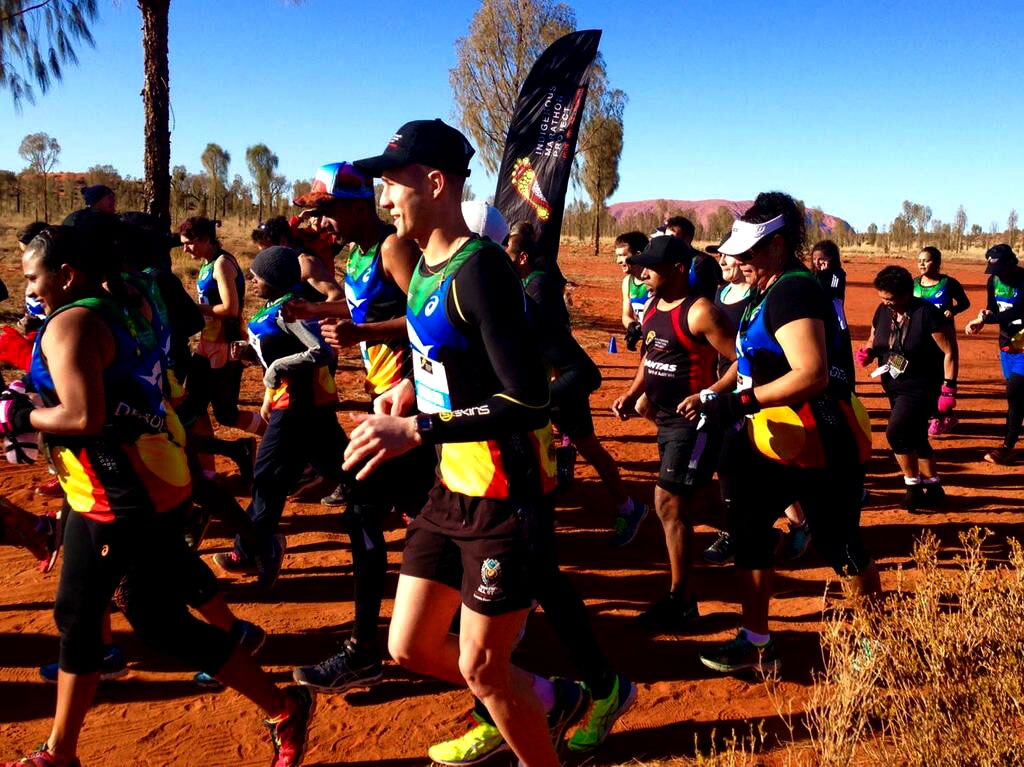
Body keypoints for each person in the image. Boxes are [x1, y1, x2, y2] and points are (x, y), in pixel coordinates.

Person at [2, 226, 314, 767]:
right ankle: (61, 752)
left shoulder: (72, 321)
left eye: (33, 277)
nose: (29, 288)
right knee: (100, 614)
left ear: (67, 274)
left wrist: (19, 418)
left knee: (129, 618)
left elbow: (82, 416)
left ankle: (282, 705)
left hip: (122, 493)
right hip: (132, 478)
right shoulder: (127, 298)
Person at [344, 119, 591, 767]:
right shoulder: (423, 262)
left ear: (434, 181)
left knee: (481, 666)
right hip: (450, 487)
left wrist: (420, 427)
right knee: (409, 648)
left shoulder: (480, 269)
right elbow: (445, 355)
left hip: (505, 498)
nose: (384, 194)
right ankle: (551, 696)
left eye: (393, 182)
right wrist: (415, 395)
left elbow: (526, 399)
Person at [685, 192, 879, 674]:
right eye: (738, 252)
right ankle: (756, 642)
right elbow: (749, 362)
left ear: (777, 246)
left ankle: (878, 640)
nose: (740, 261)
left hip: (819, 443)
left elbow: (811, 374)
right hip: (767, 438)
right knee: (748, 535)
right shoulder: (765, 292)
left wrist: (740, 401)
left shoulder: (793, 290)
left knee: (841, 545)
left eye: (749, 252)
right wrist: (717, 392)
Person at [285, 161, 435, 693]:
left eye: (326, 212)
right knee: (422, 512)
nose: (322, 224)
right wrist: (316, 306)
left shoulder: (394, 248)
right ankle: (500, 590)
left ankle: (364, 650)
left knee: (364, 513)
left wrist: (364, 330)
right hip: (385, 397)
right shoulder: (357, 254)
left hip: (410, 402)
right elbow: (358, 307)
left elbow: (427, 319)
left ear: (353, 204)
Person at [611, 235, 738, 632]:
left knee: (668, 502)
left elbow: (740, 363)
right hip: (664, 418)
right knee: (690, 504)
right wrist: (633, 394)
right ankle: (752, 530)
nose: (642, 272)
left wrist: (707, 396)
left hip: (695, 422)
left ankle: (682, 599)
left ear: (679, 270)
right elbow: (650, 357)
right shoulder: (652, 307)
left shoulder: (701, 313)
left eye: (651, 266)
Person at [212, 246, 347, 590]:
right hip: (301, 405)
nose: (253, 281)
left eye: (258, 277)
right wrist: (255, 358)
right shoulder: (276, 307)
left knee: (268, 478)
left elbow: (321, 351)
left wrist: (274, 367)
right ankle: (408, 500)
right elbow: (282, 351)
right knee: (343, 467)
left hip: (298, 407)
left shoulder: (290, 309)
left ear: (273, 280)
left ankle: (254, 549)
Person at [701, 239, 812, 565]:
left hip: (755, 393)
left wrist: (722, 389)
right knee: (730, 464)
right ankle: (739, 531)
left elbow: (744, 354)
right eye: (718, 255)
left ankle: (800, 522)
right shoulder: (719, 295)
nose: (721, 259)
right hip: (730, 391)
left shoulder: (761, 297)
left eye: (728, 254)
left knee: (767, 465)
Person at [859, 266, 958, 511]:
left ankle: (912, 486)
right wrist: (869, 351)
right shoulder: (883, 311)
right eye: (882, 298)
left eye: (890, 299)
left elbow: (949, 351)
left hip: (921, 386)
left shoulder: (927, 314)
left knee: (896, 433)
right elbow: (875, 337)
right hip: (893, 385)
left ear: (906, 294)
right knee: (916, 436)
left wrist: (949, 388)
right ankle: (934, 486)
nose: (886, 304)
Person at [175, 216, 264, 440]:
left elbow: (230, 309)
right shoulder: (208, 263)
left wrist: (194, 308)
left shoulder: (222, 263)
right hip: (208, 341)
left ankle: (276, 437)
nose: (185, 250)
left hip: (226, 345)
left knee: (225, 413)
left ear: (205, 239)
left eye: (189, 243)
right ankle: (203, 466)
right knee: (191, 404)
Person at [965, 244, 1024, 464]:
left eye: (1000, 269)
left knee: (1015, 393)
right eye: (993, 270)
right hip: (1007, 345)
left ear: (1012, 263)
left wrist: (988, 319)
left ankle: (1006, 446)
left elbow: (1019, 311)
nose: (997, 275)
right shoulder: (994, 281)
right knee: (1017, 398)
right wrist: (984, 317)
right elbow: (993, 308)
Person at [914, 246, 970, 435]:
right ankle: (945, 416)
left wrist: (953, 310)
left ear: (937, 263)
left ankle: (936, 417)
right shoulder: (914, 284)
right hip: (920, 340)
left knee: (938, 379)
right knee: (924, 379)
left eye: (926, 260)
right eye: (919, 260)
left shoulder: (948, 283)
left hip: (943, 340)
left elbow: (965, 303)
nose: (921, 263)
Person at [810, 240, 856, 393]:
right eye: (814, 259)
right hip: (817, 323)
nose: (817, 262)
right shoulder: (812, 276)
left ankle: (849, 391)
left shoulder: (838, 274)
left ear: (831, 258)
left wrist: (824, 274)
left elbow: (830, 293)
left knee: (842, 359)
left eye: (822, 259)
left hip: (837, 324)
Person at [665, 215, 723, 301]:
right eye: (665, 238)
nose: (667, 242)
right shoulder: (665, 261)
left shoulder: (703, 261)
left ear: (687, 240)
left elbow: (721, 286)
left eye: (672, 238)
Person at [615, 231, 651, 350]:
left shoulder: (655, 280)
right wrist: (632, 326)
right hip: (647, 343)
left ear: (637, 255)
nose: (618, 261)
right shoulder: (627, 282)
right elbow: (626, 315)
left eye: (622, 255)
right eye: (617, 256)